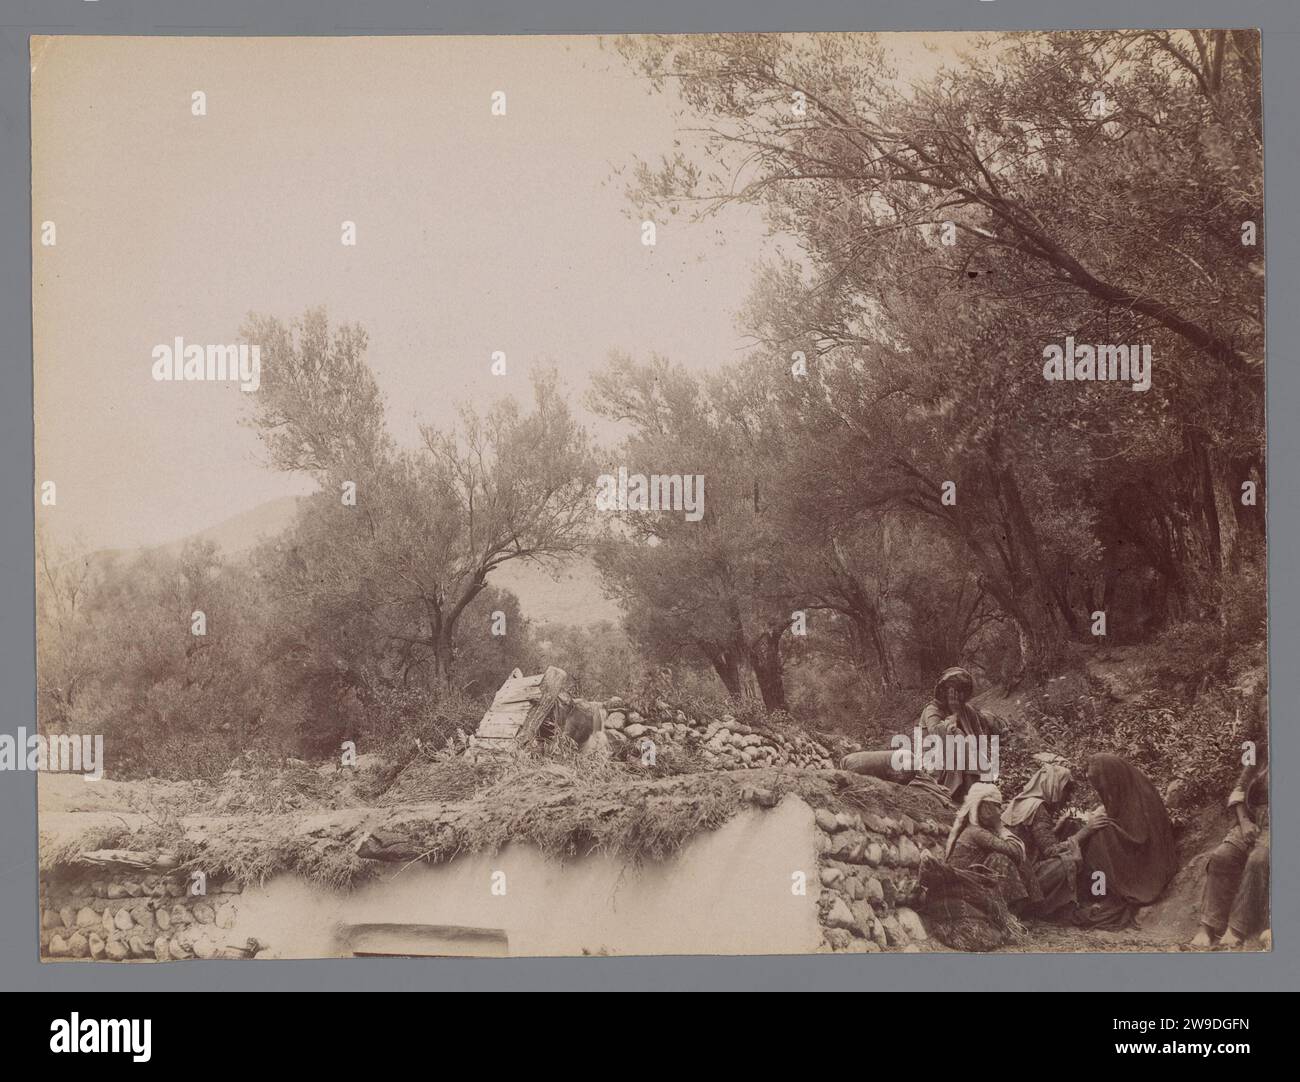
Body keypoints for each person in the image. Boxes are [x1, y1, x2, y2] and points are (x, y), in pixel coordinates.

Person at [1076, 754, 1178, 928]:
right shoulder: (1124, 786)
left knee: (1098, 838)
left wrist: (1103, 826)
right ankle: (1096, 892)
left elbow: (1140, 837)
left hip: (1148, 863)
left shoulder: (1141, 794)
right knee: (1091, 831)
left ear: (1111, 777)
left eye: (1101, 785)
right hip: (1133, 851)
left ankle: (1103, 894)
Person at [1002, 763, 1109, 920]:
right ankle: (1048, 907)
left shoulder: (1022, 802)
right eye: (1065, 790)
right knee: (1069, 861)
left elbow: (1031, 840)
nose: (1067, 797)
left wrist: (1056, 828)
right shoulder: (1038, 809)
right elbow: (1051, 851)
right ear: (1053, 785)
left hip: (1013, 874)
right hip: (1025, 877)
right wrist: (1086, 830)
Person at [1191, 758, 1269, 949]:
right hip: (1251, 819)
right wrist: (1244, 822)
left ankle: (1236, 929)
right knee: (1222, 856)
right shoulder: (1258, 751)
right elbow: (1239, 789)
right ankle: (1208, 926)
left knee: (1258, 860)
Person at [919, 667, 1006, 801]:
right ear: (945, 692)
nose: (959, 697)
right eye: (954, 692)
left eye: (962, 693)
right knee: (957, 736)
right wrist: (955, 714)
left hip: (970, 761)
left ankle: (976, 793)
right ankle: (963, 794)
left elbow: (980, 741)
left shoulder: (968, 710)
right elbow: (937, 735)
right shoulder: (932, 709)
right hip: (937, 762)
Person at [943, 782, 1032, 912]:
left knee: (1008, 857)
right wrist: (999, 826)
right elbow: (1015, 850)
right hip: (964, 886)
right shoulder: (976, 832)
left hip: (970, 882)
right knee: (1000, 859)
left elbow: (1019, 850)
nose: (999, 811)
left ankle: (1027, 908)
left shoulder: (978, 830)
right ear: (984, 807)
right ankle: (1006, 912)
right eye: (996, 806)